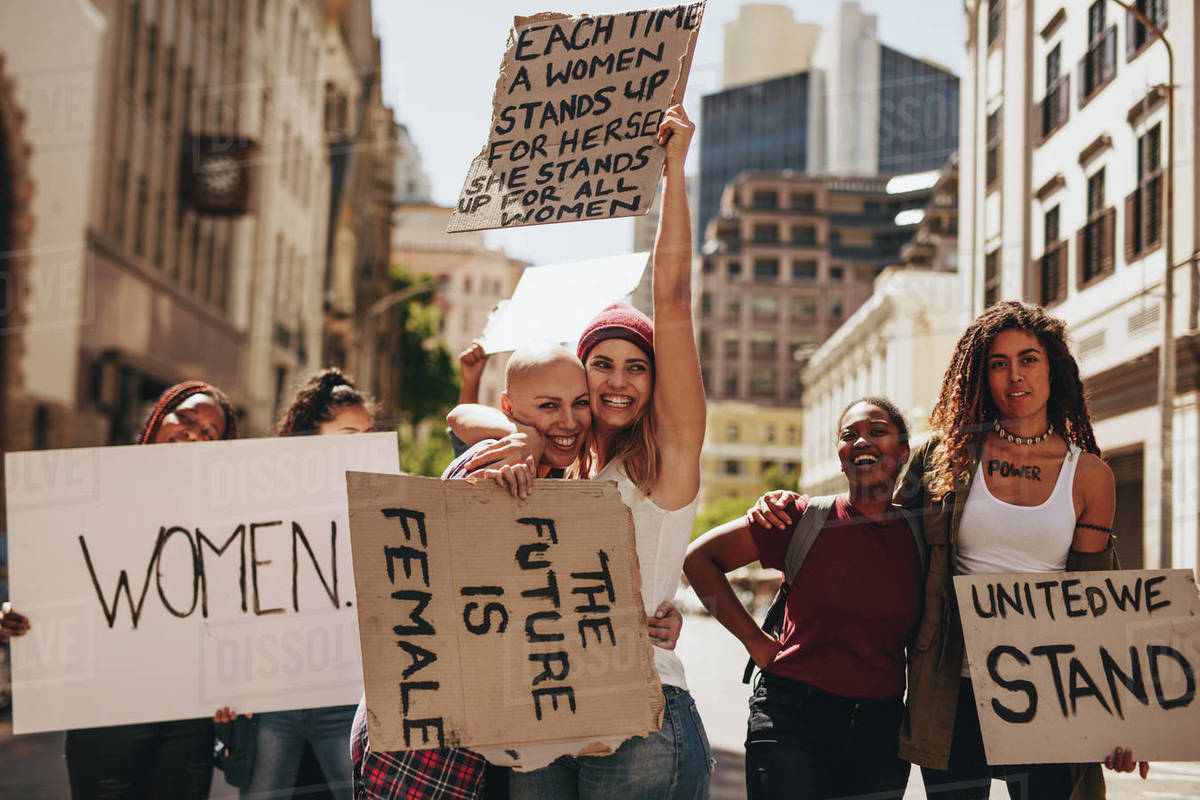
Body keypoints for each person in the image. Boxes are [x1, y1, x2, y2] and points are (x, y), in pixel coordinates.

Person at [449, 104, 711, 800]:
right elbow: (462, 415)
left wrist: (675, 169)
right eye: (603, 363)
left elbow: (675, 299)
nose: (619, 380)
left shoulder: (667, 459)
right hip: (541, 716)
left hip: (639, 715)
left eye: (637, 365)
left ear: (657, 382)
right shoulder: (564, 465)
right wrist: (520, 437)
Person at [351, 343, 683, 800]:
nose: (568, 420)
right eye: (549, 406)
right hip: (428, 751)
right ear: (510, 408)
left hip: (486, 746)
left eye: (579, 403)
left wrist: (640, 614)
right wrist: (499, 470)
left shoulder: (555, 479)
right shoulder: (500, 462)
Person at [892, 301, 1147, 799]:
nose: (1015, 376)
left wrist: (1124, 715)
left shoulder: (1090, 475)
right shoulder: (945, 457)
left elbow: (1097, 598)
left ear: (1053, 369)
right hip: (953, 687)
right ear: (981, 376)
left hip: (1049, 693)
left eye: (1028, 359)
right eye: (998, 363)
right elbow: (889, 550)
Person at [685, 398, 921, 800]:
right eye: (849, 436)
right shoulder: (796, 517)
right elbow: (698, 560)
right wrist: (755, 642)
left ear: (903, 453)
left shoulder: (922, 537)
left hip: (880, 730)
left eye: (877, 431)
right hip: (790, 720)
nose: (862, 440)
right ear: (841, 458)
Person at [60, 381, 238, 799]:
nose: (193, 433)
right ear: (158, 419)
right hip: (104, 710)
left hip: (186, 718)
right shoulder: (92, 494)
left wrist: (236, 677)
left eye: (209, 433)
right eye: (187, 418)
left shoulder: (228, 520)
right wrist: (23, 615)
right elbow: (62, 583)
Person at [215, 369, 375, 799]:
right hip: (273, 698)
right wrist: (231, 681)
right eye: (347, 433)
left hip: (345, 696)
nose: (360, 444)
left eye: (367, 433)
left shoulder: (376, 505)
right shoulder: (266, 502)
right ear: (313, 435)